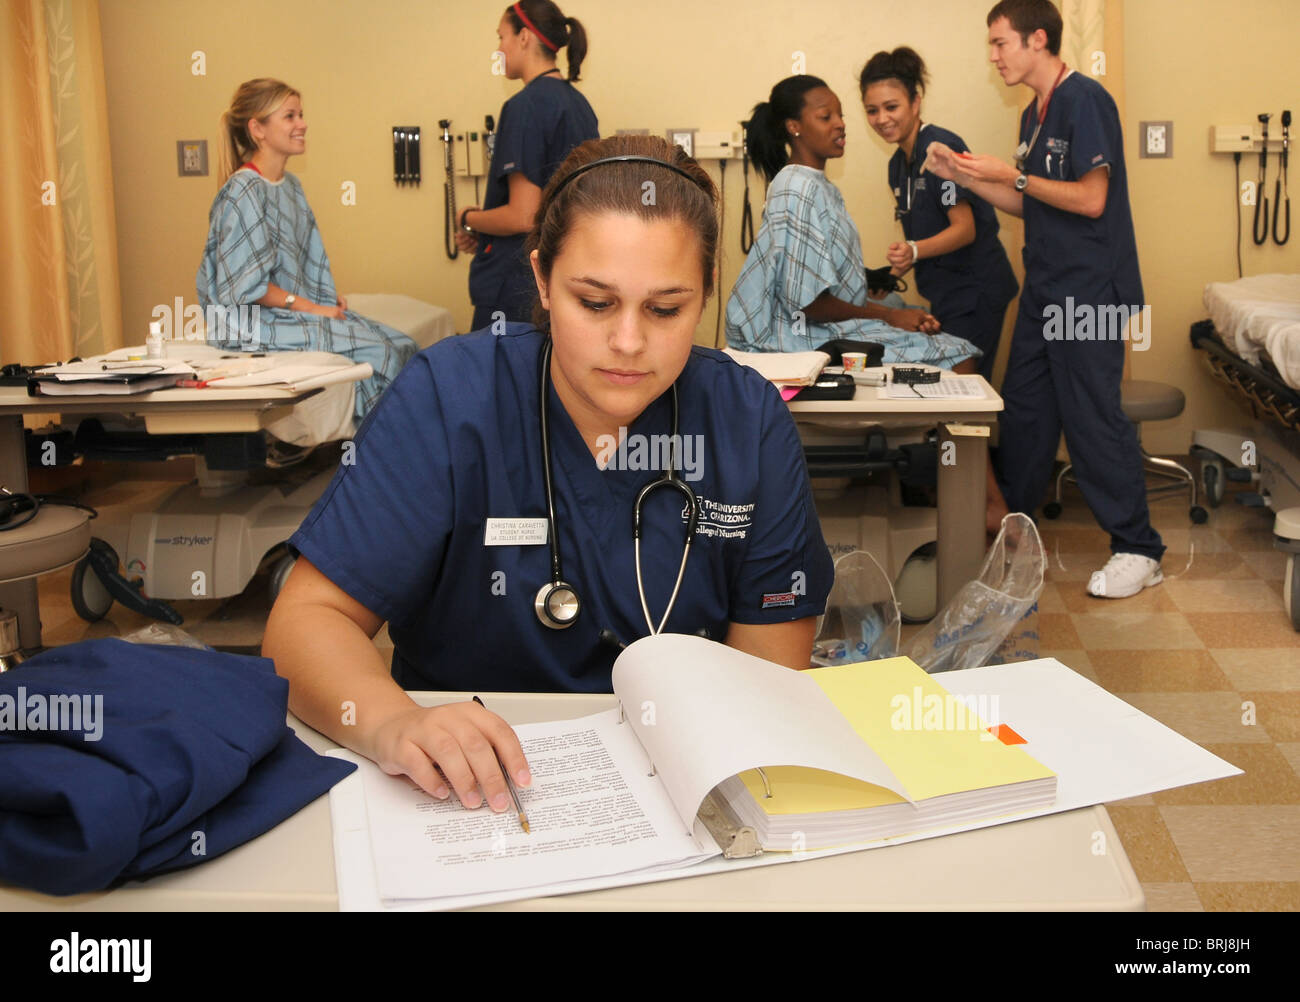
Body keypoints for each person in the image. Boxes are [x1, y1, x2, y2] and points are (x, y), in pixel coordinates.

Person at [264, 135, 835, 814]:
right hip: (466, 797)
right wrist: (396, 723)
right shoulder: (450, 400)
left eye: (665, 308)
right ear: (540, 278)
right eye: (594, 303)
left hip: (685, 789)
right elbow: (305, 622)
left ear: (707, 294)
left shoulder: (748, 422)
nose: (628, 342)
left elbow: (769, 676)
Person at [925, 0, 1164, 597]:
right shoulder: (1033, 114)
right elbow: (1028, 203)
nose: (994, 55)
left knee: (1091, 417)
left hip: (1089, 291)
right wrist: (966, 175)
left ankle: (1138, 548)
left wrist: (1012, 176)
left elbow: (1090, 199)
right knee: (1025, 412)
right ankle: (1016, 536)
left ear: (1038, 39)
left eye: (1001, 43)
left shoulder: (1085, 99)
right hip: (1045, 288)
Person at [725, 75, 982, 372]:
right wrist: (887, 316)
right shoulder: (797, 187)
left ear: (916, 103)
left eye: (841, 115)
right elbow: (807, 304)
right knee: (960, 355)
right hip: (797, 334)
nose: (840, 123)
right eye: (826, 117)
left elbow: (816, 267)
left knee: (917, 318)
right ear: (794, 126)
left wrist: (869, 281)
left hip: (826, 321)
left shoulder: (819, 185)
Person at [197, 78, 416, 423]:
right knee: (382, 353)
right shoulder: (242, 193)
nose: (302, 124)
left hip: (289, 312)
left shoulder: (291, 187)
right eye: (290, 116)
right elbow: (244, 289)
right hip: (249, 325)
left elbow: (302, 263)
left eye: (301, 114)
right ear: (258, 129)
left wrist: (325, 299)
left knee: (404, 346)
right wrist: (314, 308)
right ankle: (379, 455)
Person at [861, 47, 1020, 383]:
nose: (882, 119)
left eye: (892, 107)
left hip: (976, 292)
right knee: (949, 390)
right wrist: (890, 274)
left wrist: (914, 250)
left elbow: (964, 230)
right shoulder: (896, 166)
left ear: (915, 103)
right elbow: (923, 233)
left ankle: (967, 439)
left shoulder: (939, 150)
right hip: (946, 295)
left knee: (963, 393)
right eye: (872, 110)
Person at [456, 1, 599, 331]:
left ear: (524, 37)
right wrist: (485, 229)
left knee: (501, 379)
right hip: (563, 277)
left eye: (501, 37)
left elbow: (523, 215)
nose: (498, 49)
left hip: (516, 285)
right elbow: (553, 210)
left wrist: (467, 218)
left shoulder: (524, 107)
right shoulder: (579, 106)